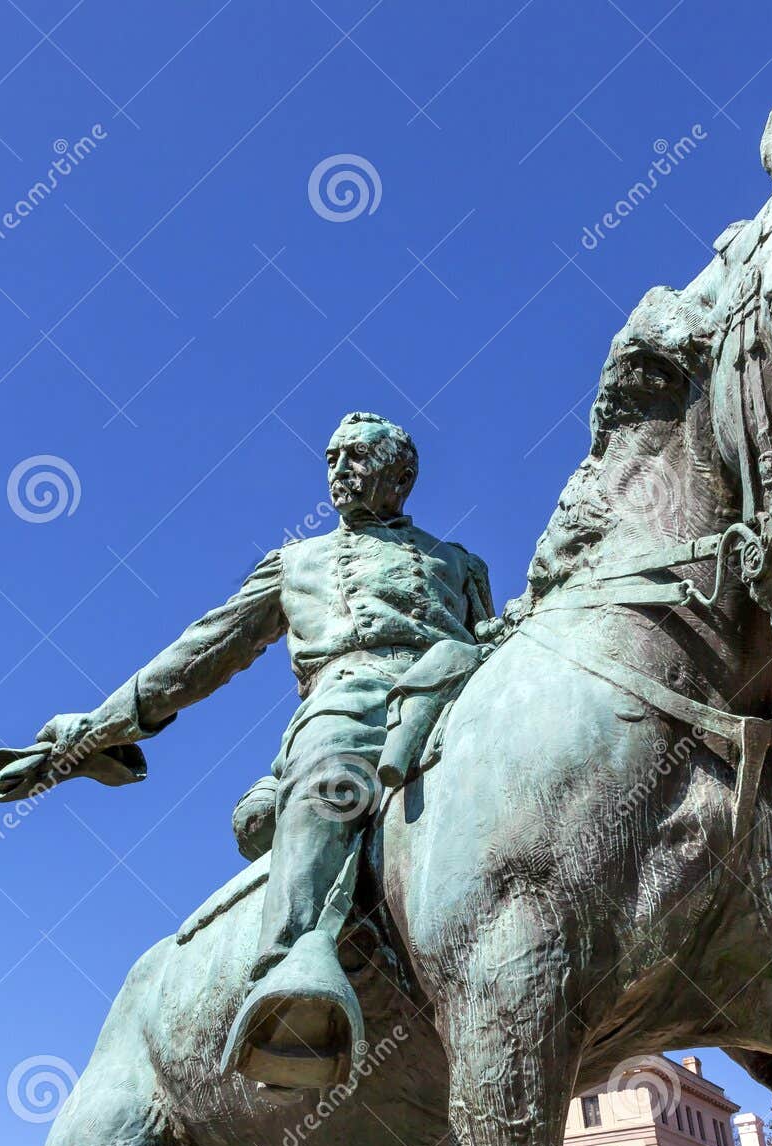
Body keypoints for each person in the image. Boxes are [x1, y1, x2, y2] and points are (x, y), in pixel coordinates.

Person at [35, 412, 492, 1085]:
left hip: (455, 680)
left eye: (357, 457)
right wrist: (103, 727)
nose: (338, 470)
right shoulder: (296, 563)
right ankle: (290, 974)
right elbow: (204, 651)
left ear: (402, 474)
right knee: (331, 772)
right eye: (332, 458)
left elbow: (489, 637)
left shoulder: (459, 562)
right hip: (352, 694)